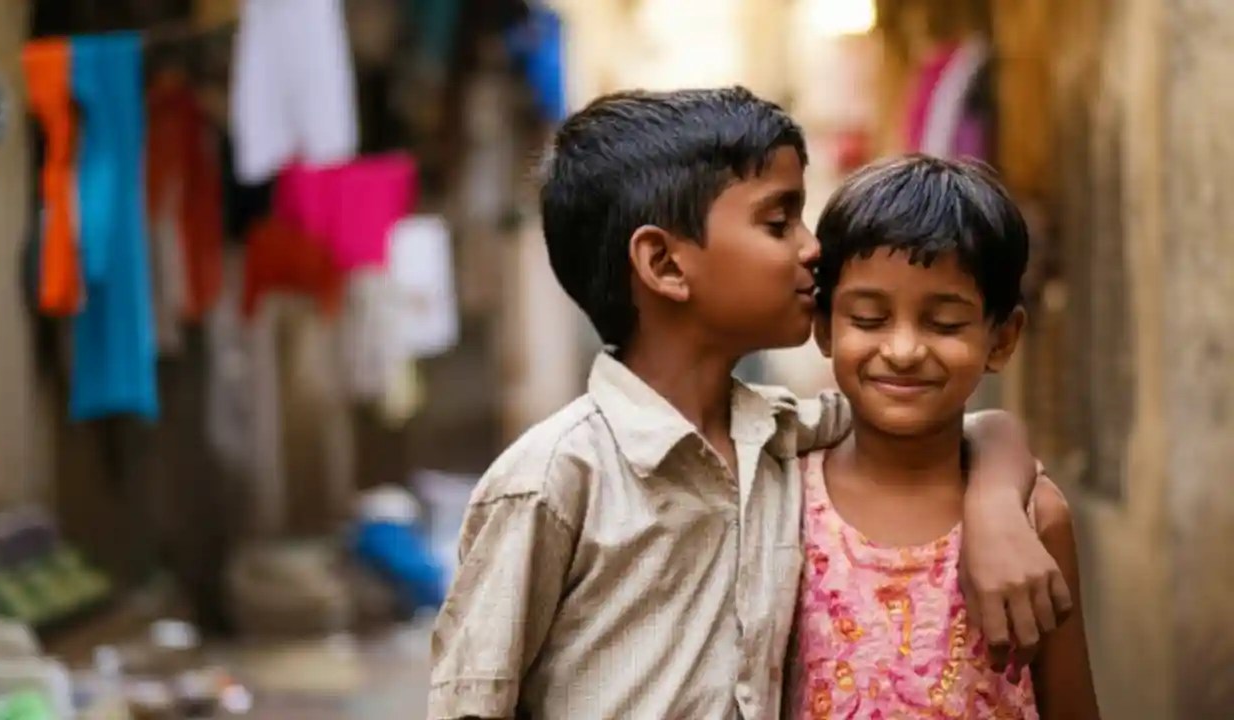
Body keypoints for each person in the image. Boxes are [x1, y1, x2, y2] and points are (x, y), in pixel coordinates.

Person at [429, 89, 1067, 720]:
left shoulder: (781, 438)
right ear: (664, 264)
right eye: (779, 222)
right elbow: (471, 700)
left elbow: (956, 423)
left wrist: (996, 506)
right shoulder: (554, 480)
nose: (813, 249)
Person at [790, 155, 1099, 718]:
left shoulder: (1037, 520)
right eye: (868, 318)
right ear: (823, 326)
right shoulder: (783, 508)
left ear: (1003, 339)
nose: (904, 351)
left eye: (945, 324)